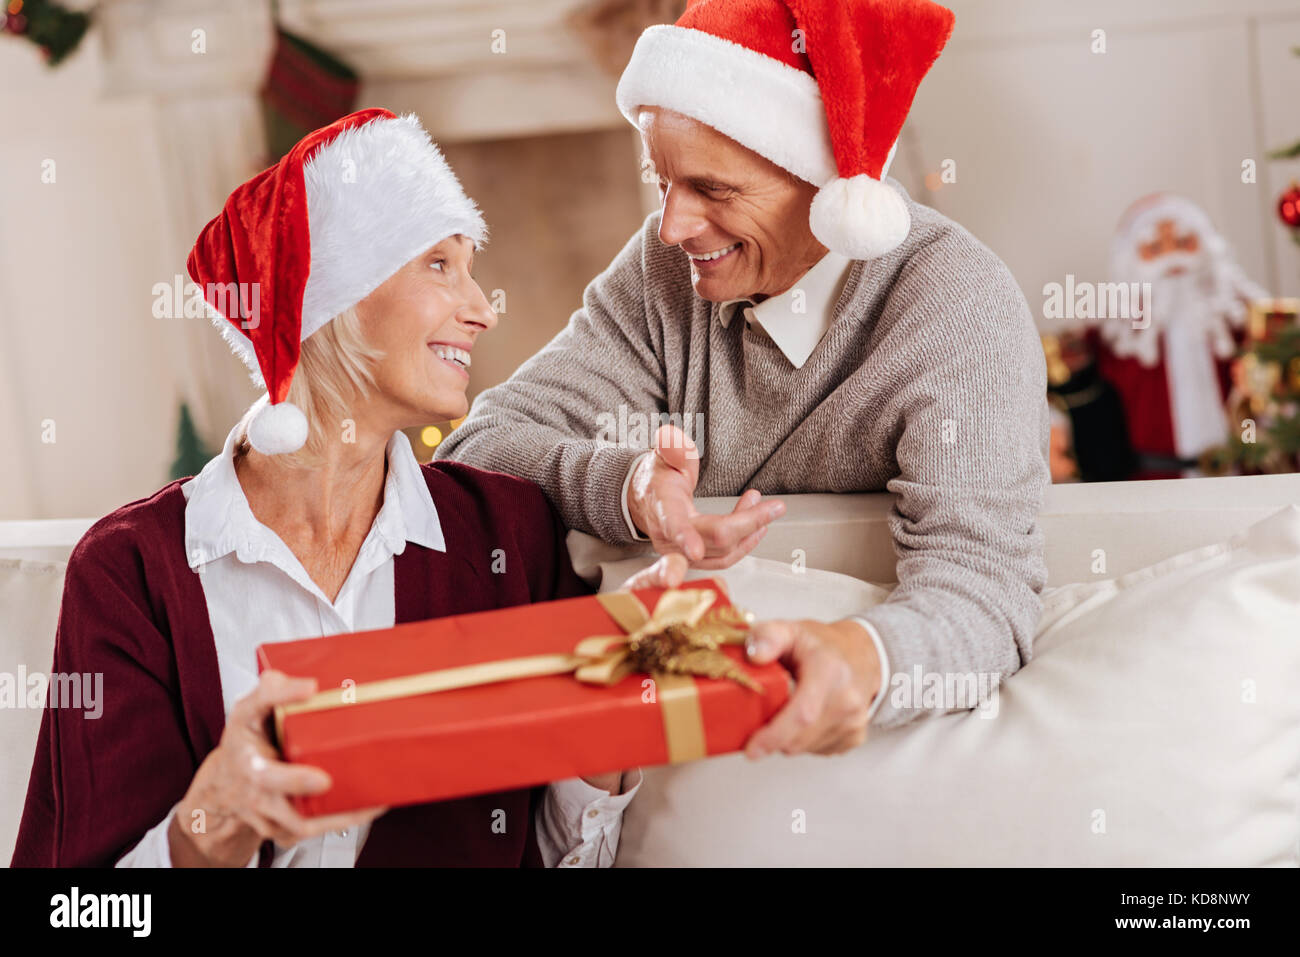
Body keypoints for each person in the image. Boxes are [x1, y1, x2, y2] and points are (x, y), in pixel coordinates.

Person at [11, 108, 638, 868]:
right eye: (440, 265)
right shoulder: (131, 573)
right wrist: (212, 823)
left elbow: (551, 855)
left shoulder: (508, 532)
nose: (480, 309)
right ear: (335, 297)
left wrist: (605, 733)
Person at [437, 0, 1052, 748]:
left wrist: (863, 653)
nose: (671, 226)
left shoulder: (957, 307)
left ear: (824, 185)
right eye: (662, 181)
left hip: (878, 737)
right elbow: (476, 449)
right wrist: (631, 489)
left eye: (714, 190)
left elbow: (984, 588)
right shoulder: (663, 272)